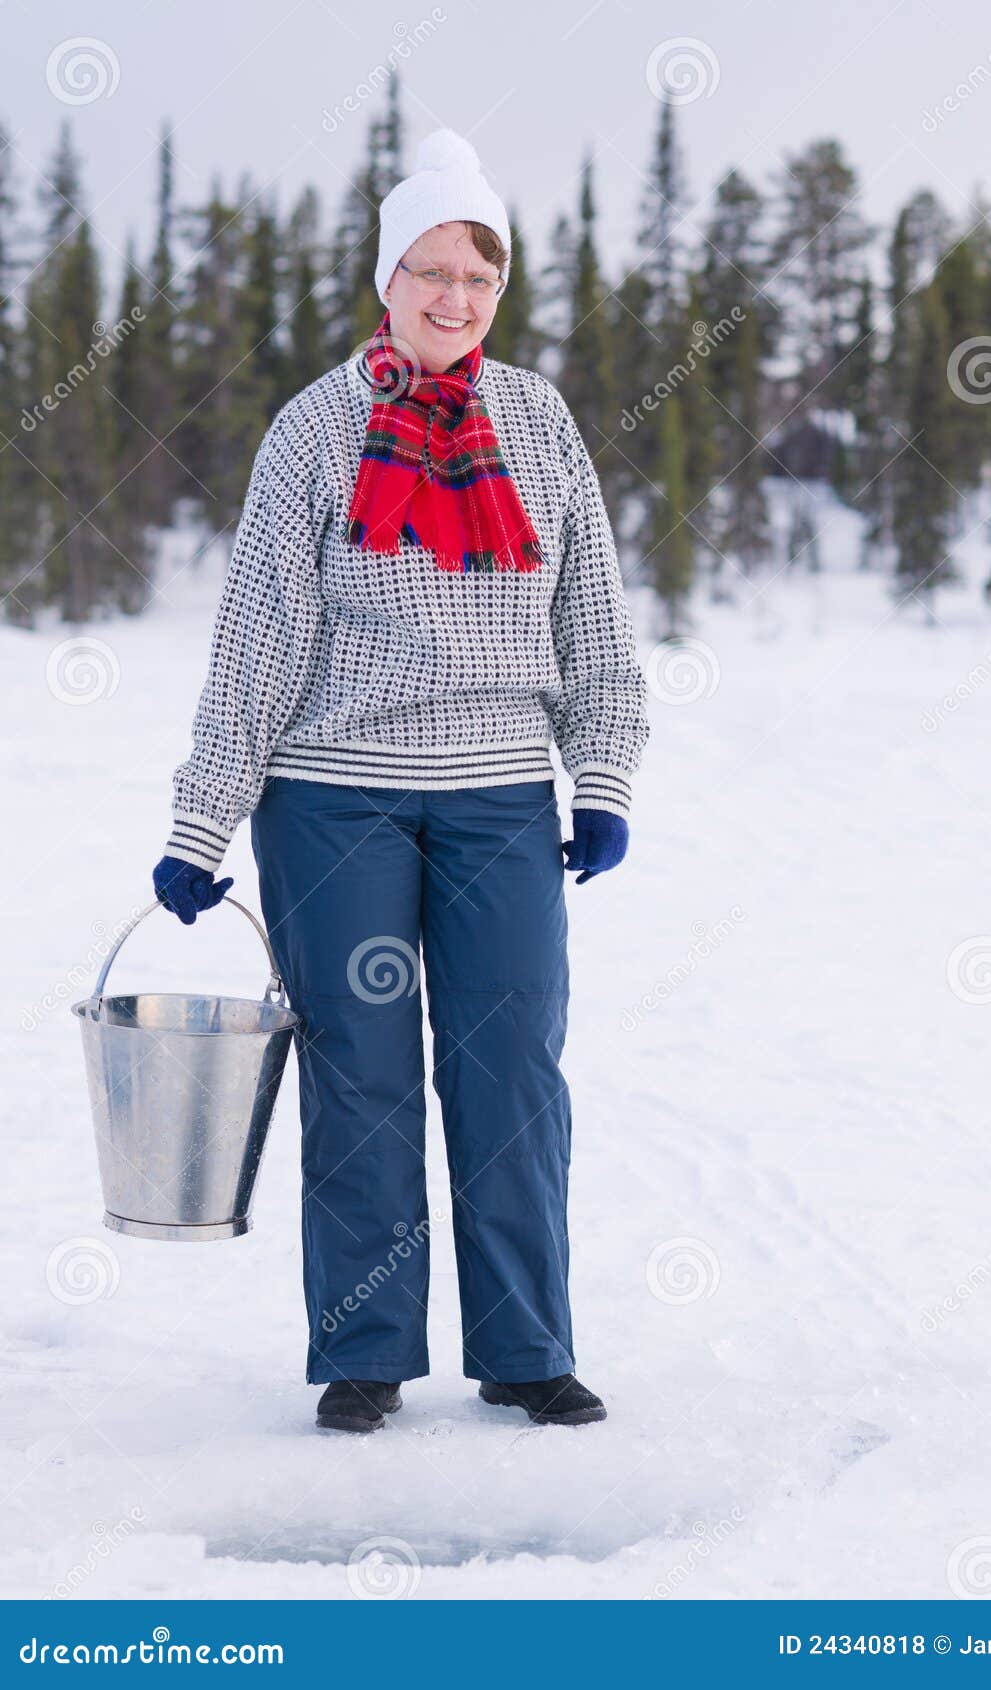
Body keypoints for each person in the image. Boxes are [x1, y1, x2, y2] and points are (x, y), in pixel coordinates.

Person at [152, 128, 650, 1433]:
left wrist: (599, 778)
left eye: (477, 277)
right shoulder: (317, 428)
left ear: (499, 290)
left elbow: (595, 621)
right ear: (389, 278)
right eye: (430, 270)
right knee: (360, 1073)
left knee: (512, 1072)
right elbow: (258, 640)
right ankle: (366, 1349)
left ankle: (525, 1347)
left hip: (497, 799)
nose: (453, 299)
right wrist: (201, 822)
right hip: (333, 799)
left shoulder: (536, 422)